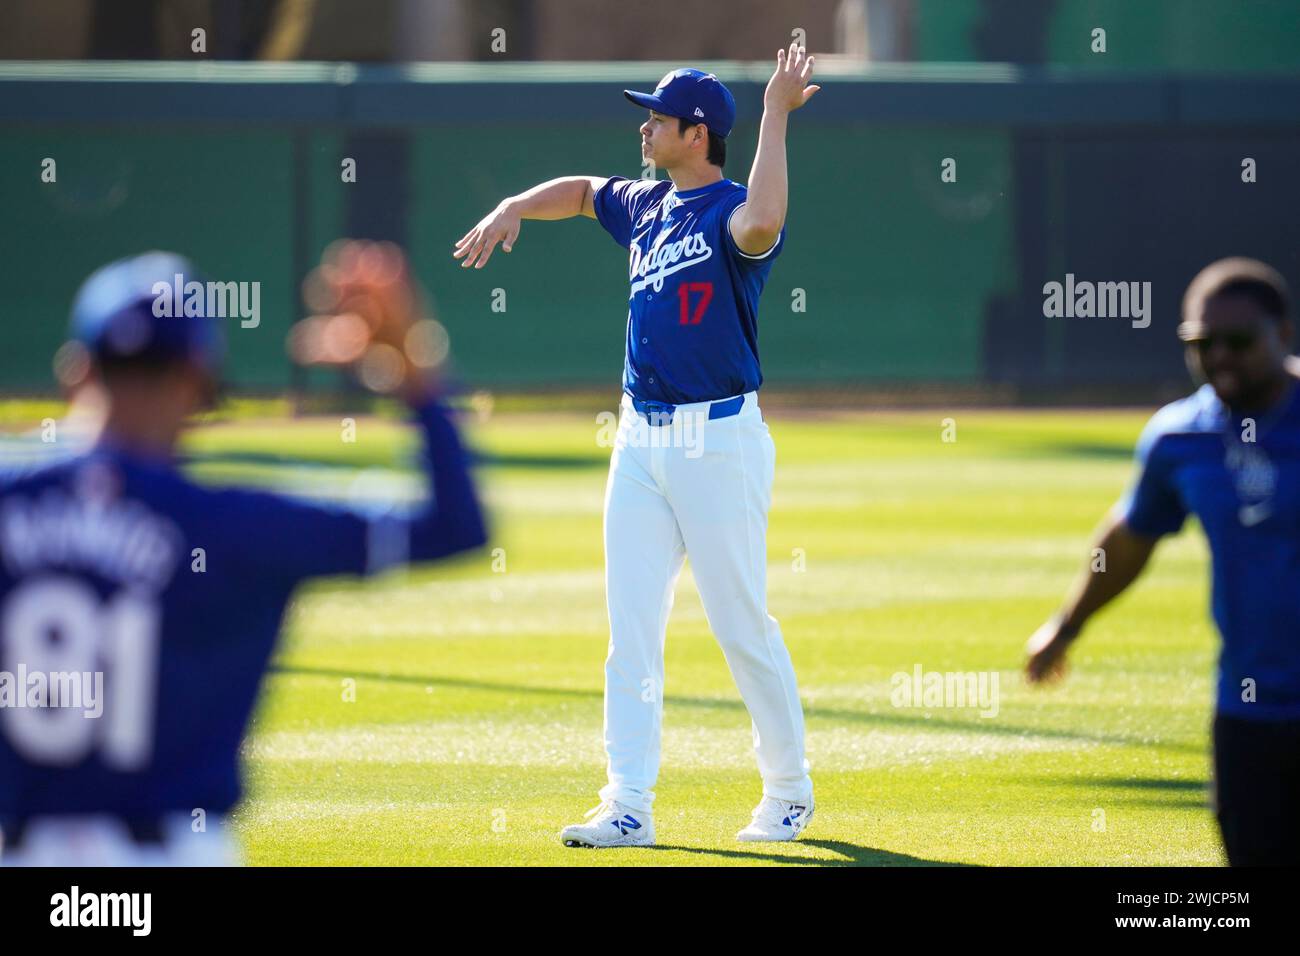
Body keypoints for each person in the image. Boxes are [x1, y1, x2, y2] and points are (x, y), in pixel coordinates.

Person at [0, 243, 488, 865]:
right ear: (199, 382)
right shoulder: (238, 524)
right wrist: (413, 369)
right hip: (174, 852)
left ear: (77, 370)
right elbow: (453, 526)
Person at [454, 45, 820, 846]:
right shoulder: (646, 204)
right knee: (632, 630)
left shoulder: (729, 208)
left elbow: (763, 221)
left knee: (739, 624)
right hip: (640, 439)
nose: (644, 127)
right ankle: (628, 803)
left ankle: (789, 791)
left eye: (657, 117)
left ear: (697, 134)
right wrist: (515, 202)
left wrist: (775, 118)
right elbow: (584, 193)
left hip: (719, 440)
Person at [1026, 256, 1300, 866]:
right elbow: (1129, 538)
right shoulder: (1180, 438)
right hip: (1248, 713)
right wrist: (1066, 627)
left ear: (1283, 336)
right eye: (1202, 343)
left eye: (1238, 341)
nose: (1220, 357)